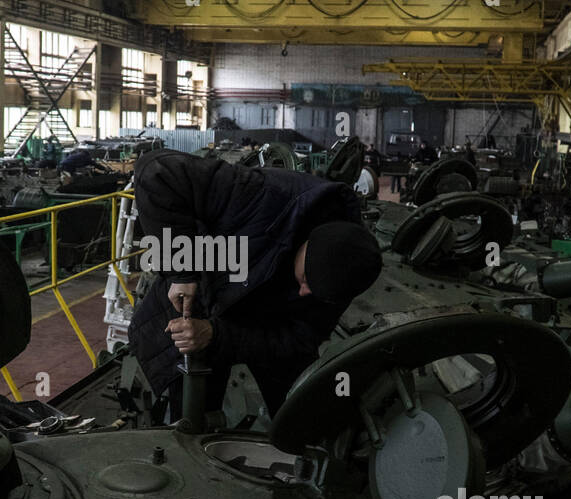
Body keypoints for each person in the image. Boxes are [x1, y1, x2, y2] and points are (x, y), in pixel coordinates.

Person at [130, 149, 383, 419]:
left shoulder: (346, 272)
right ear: (308, 245)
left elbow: (299, 338)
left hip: (258, 323)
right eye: (306, 280)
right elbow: (157, 170)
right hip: (201, 296)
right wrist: (181, 271)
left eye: (315, 293)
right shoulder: (260, 194)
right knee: (192, 418)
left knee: (300, 413)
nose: (304, 293)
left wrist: (216, 334)